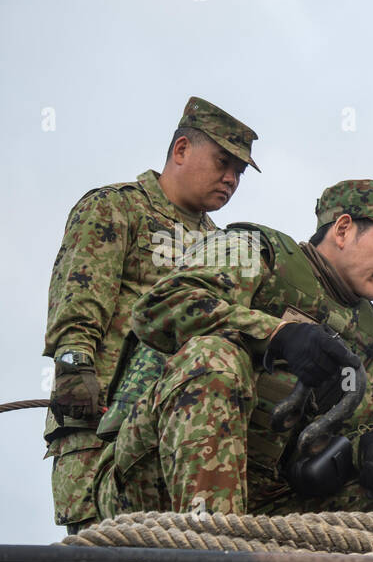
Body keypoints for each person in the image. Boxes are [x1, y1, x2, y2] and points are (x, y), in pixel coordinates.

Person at [94, 179, 373, 527]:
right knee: (213, 357)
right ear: (343, 229)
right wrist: (277, 335)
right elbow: (158, 307)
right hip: (155, 479)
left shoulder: (363, 330)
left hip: (264, 498)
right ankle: (214, 553)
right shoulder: (254, 253)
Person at [42, 96, 259, 533]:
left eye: (239, 171)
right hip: (100, 425)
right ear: (181, 150)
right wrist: (73, 362)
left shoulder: (226, 246)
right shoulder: (117, 208)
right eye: (223, 162)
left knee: (192, 556)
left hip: (187, 430)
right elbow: (81, 296)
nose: (231, 179)